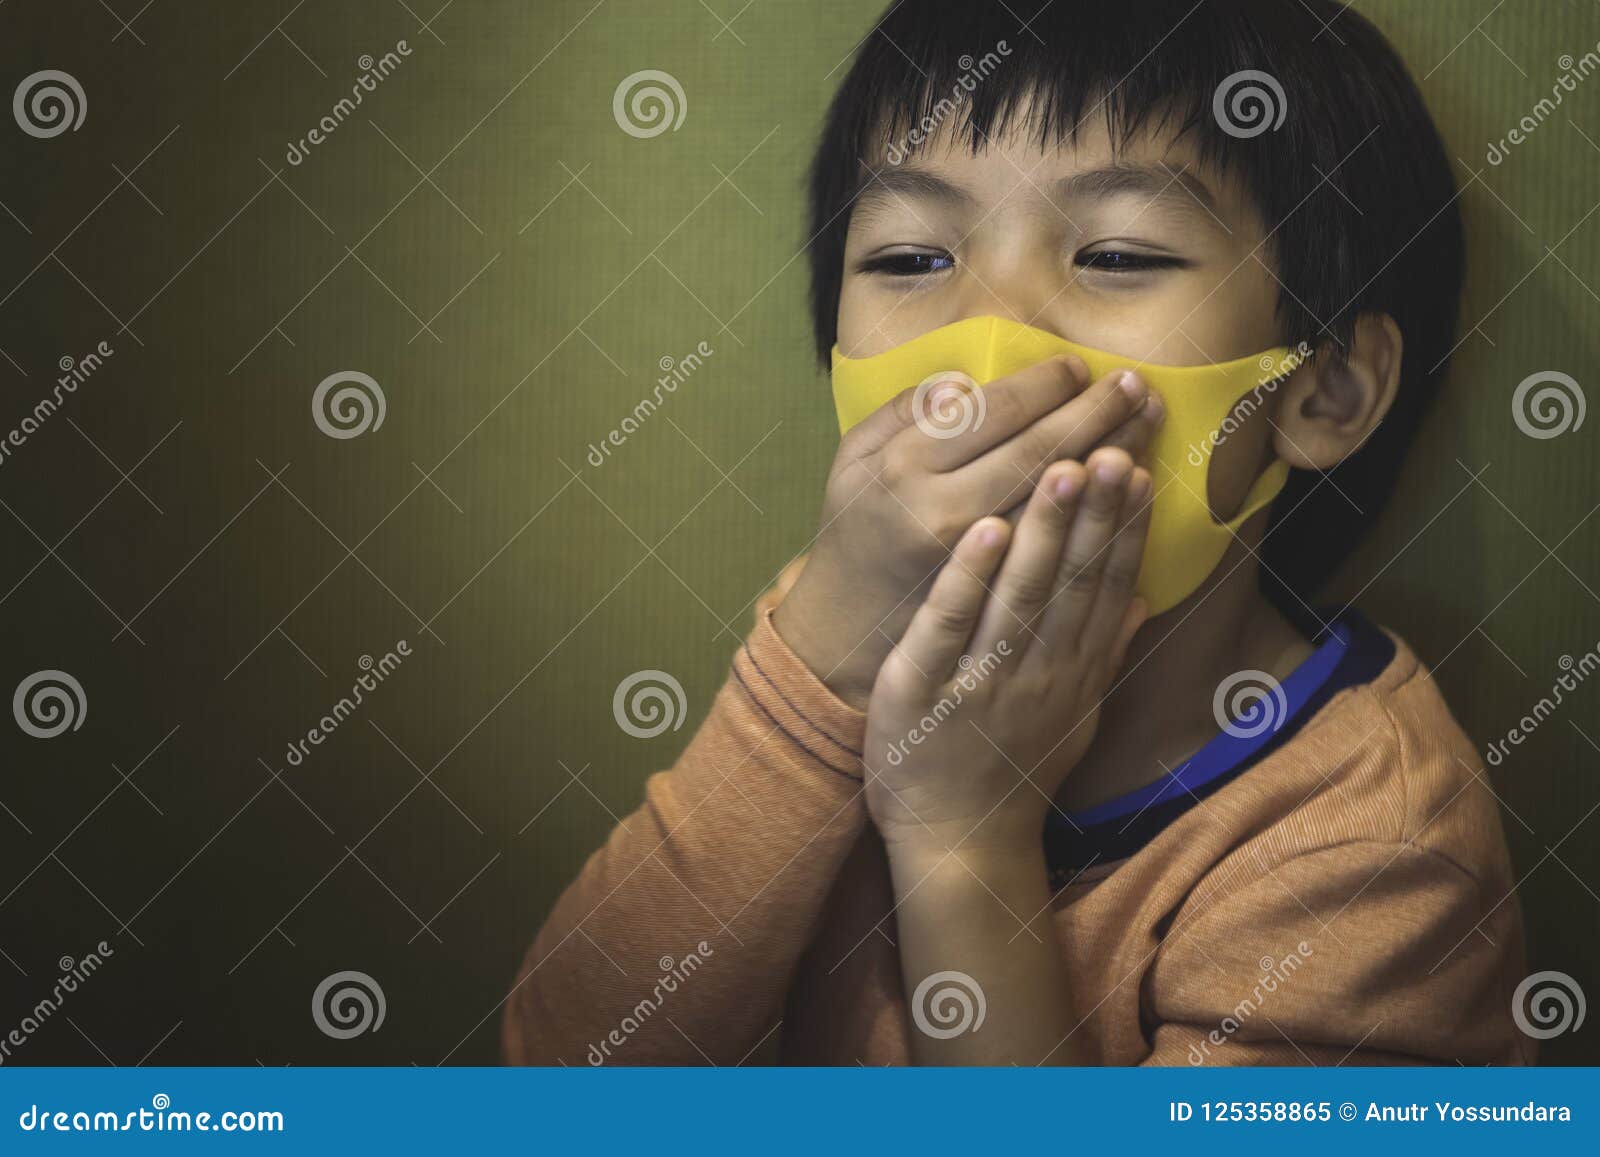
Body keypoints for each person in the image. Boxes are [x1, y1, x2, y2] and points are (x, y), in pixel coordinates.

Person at [502, 0, 1529, 1066]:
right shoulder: (839, 619)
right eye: (908, 260)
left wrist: (964, 838)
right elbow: (563, 1073)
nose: (982, 338)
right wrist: (820, 659)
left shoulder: (1372, 841)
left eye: (1118, 254)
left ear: (1324, 389)